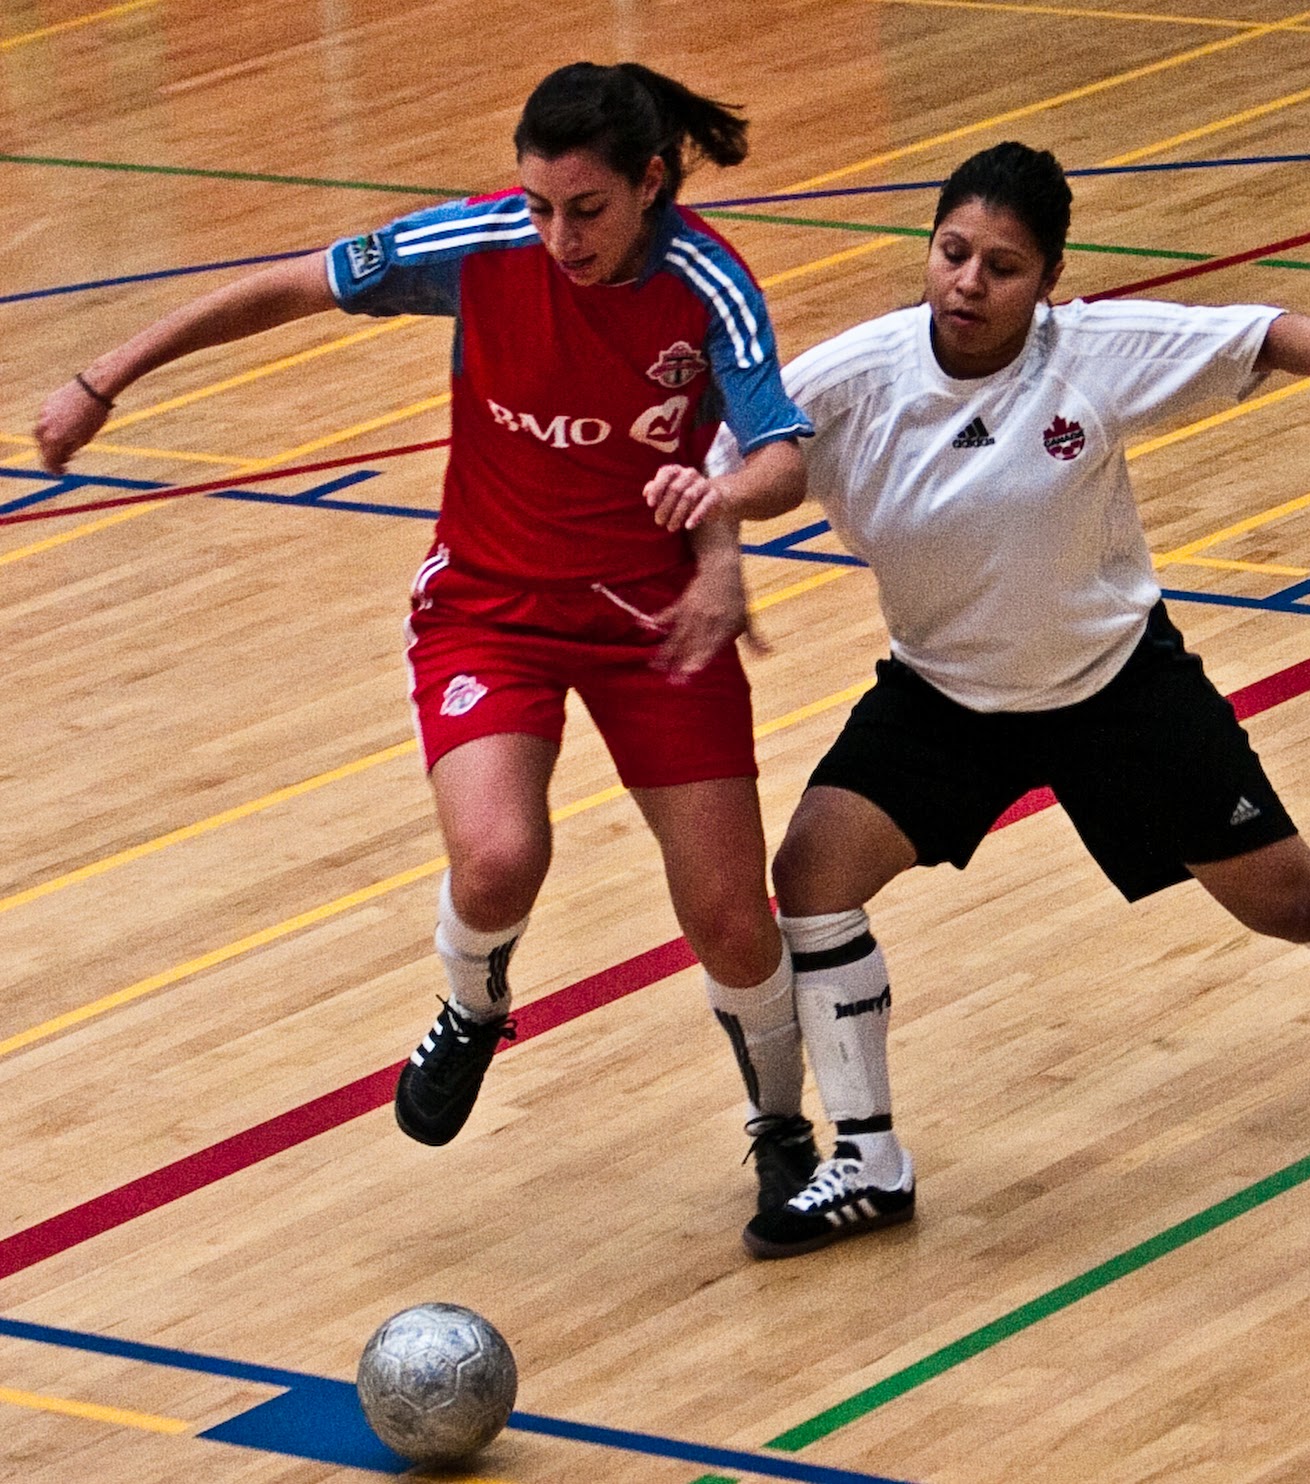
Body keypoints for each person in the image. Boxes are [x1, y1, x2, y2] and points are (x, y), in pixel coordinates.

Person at [652, 140, 1310, 1259]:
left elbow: (1261, 329)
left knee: (1283, 898)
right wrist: (717, 539)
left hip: (1118, 689)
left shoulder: (1089, 356)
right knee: (811, 879)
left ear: (1048, 282)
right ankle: (868, 1160)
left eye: (1004, 266)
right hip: (944, 696)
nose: (969, 282)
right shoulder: (855, 380)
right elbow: (738, 456)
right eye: (953, 252)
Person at [34, 61, 826, 1217]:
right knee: (498, 857)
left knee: (726, 913)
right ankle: (473, 1004)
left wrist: (721, 508)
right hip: (489, 608)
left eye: (587, 210)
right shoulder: (477, 245)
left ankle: (781, 1125)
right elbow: (288, 288)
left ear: (650, 182)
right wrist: (107, 374)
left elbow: (783, 457)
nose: (557, 235)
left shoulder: (707, 281)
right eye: (540, 205)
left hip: (649, 622)